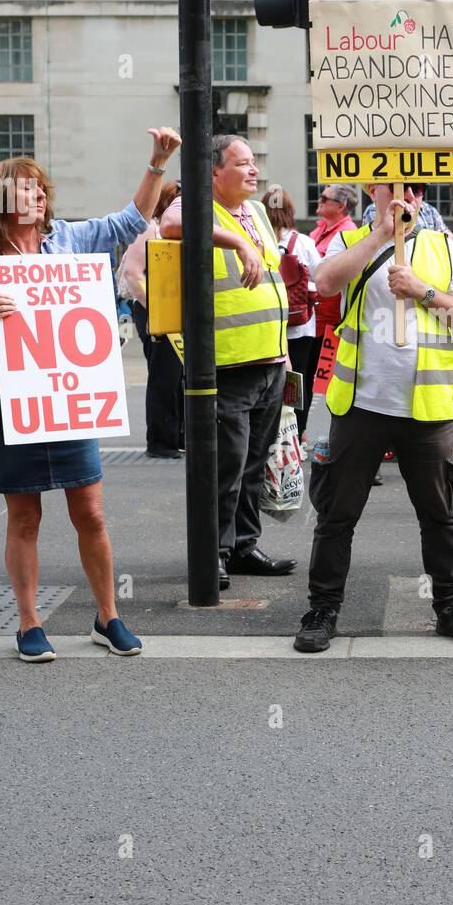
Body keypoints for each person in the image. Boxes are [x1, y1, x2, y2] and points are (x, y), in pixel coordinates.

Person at [0, 128, 182, 661]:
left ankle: (108, 616)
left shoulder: (68, 241)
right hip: (14, 402)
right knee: (24, 516)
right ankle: (29, 623)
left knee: (91, 514)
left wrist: (157, 162)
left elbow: (129, 221)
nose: (36, 197)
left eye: (39, 189)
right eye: (24, 189)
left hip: (68, 400)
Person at [293, 181, 453, 652]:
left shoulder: (442, 246)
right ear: (372, 191)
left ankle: (451, 606)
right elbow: (324, 282)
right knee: (336, 515)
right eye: (397, 188)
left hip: (425, 408)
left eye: (418, 189)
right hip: (362, 403)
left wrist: (424, 292)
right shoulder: (349, 241)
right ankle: (323, 609)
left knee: (439, 515)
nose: (410, 198)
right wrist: (381, 234)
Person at [159, 136, 295, 591]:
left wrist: (285, 357)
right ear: (214, 172)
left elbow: (271, 282)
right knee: (227, 464)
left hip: (269, 361)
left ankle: (243, 546)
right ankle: (212, 552)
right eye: (243, 163)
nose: (254, 171)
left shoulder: (256, 212)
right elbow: (171, 225)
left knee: (255, 460)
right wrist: (238, 242)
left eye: (255, 162)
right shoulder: (193, 206)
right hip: (229, 365)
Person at [117, 179, 185, 458]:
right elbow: (132, 274)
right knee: (165, 375)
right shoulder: (149, 229)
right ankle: (161, 441)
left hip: (170, 308)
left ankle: (177, 435)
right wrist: (156, 308)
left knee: (177, 374)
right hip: (154, 309)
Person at [300, 183, 359, 446]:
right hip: (314, 319)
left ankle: (346, 441)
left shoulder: (347, 234)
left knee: (335, 383)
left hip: (332, 323)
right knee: (308, 378)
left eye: (325, 198)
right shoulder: (319, 229)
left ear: (341, 206)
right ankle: (300, 433)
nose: (319, 200)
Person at [261, 186, 320, 442]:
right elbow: (320, 277)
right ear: (290, 212)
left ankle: (271, 431)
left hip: (267, 323)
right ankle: (298, 431)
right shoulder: (303, 242)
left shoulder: (258, 239)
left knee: (269, 380)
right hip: (301, 324)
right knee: (300, 380)